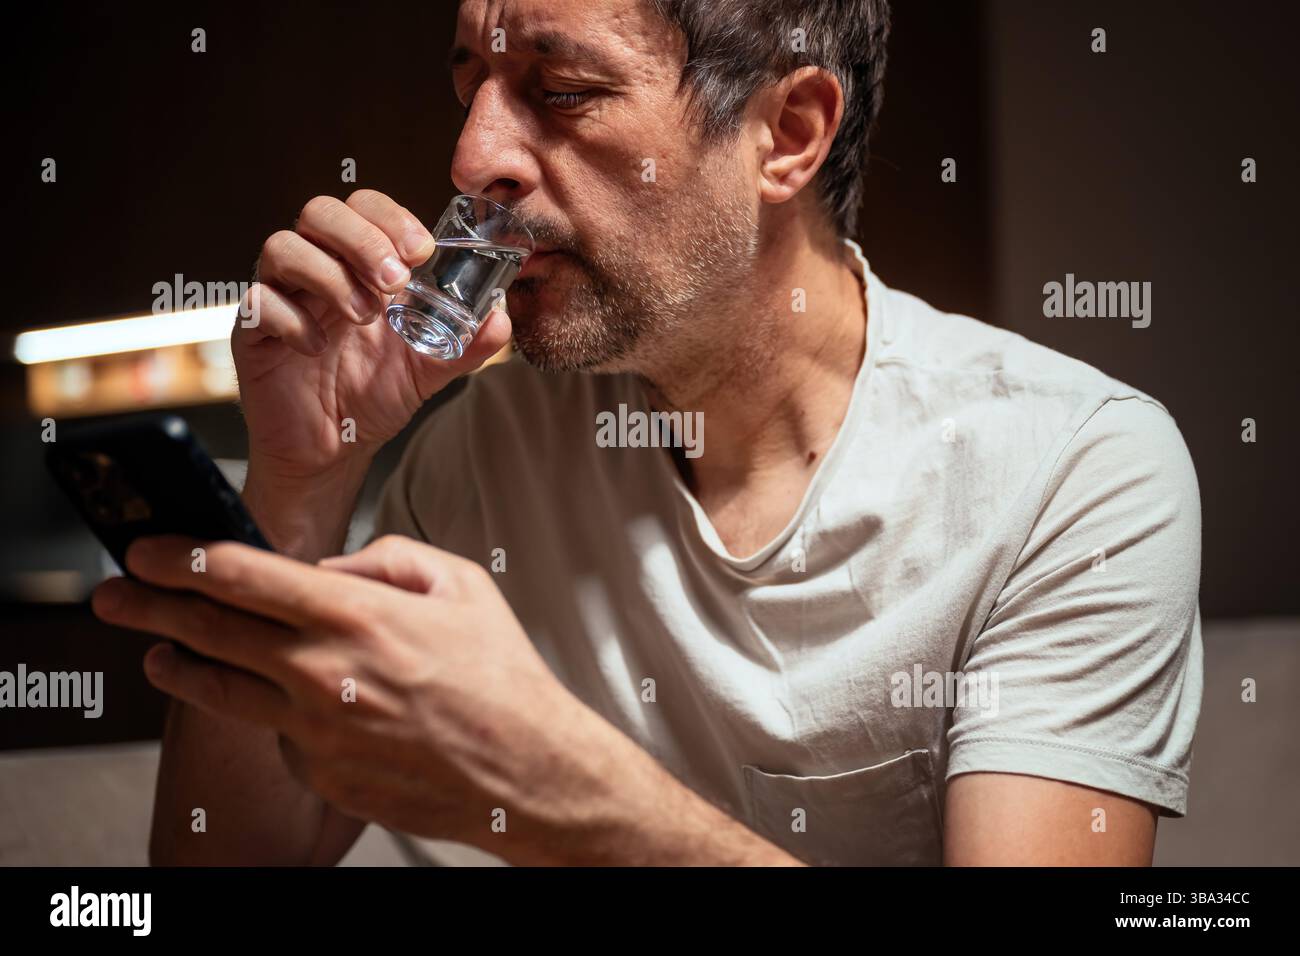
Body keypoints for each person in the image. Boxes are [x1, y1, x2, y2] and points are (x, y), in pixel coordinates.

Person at [92, 0, 1202, 866]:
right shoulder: (480, 446)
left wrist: (558, 788)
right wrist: (307, 474)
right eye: (470, 84)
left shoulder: (1071, 471)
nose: (473, 158)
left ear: (788, 132)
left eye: (561, 90)